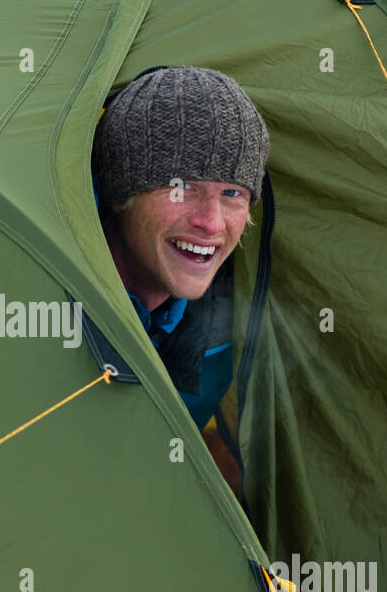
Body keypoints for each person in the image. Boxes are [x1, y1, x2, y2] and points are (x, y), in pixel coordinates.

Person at [91, 66, 269, 489]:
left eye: (232, 194)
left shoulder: (225, 334)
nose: (212, 222)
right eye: (182, 187)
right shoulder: (50, 300)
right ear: (121, 194)